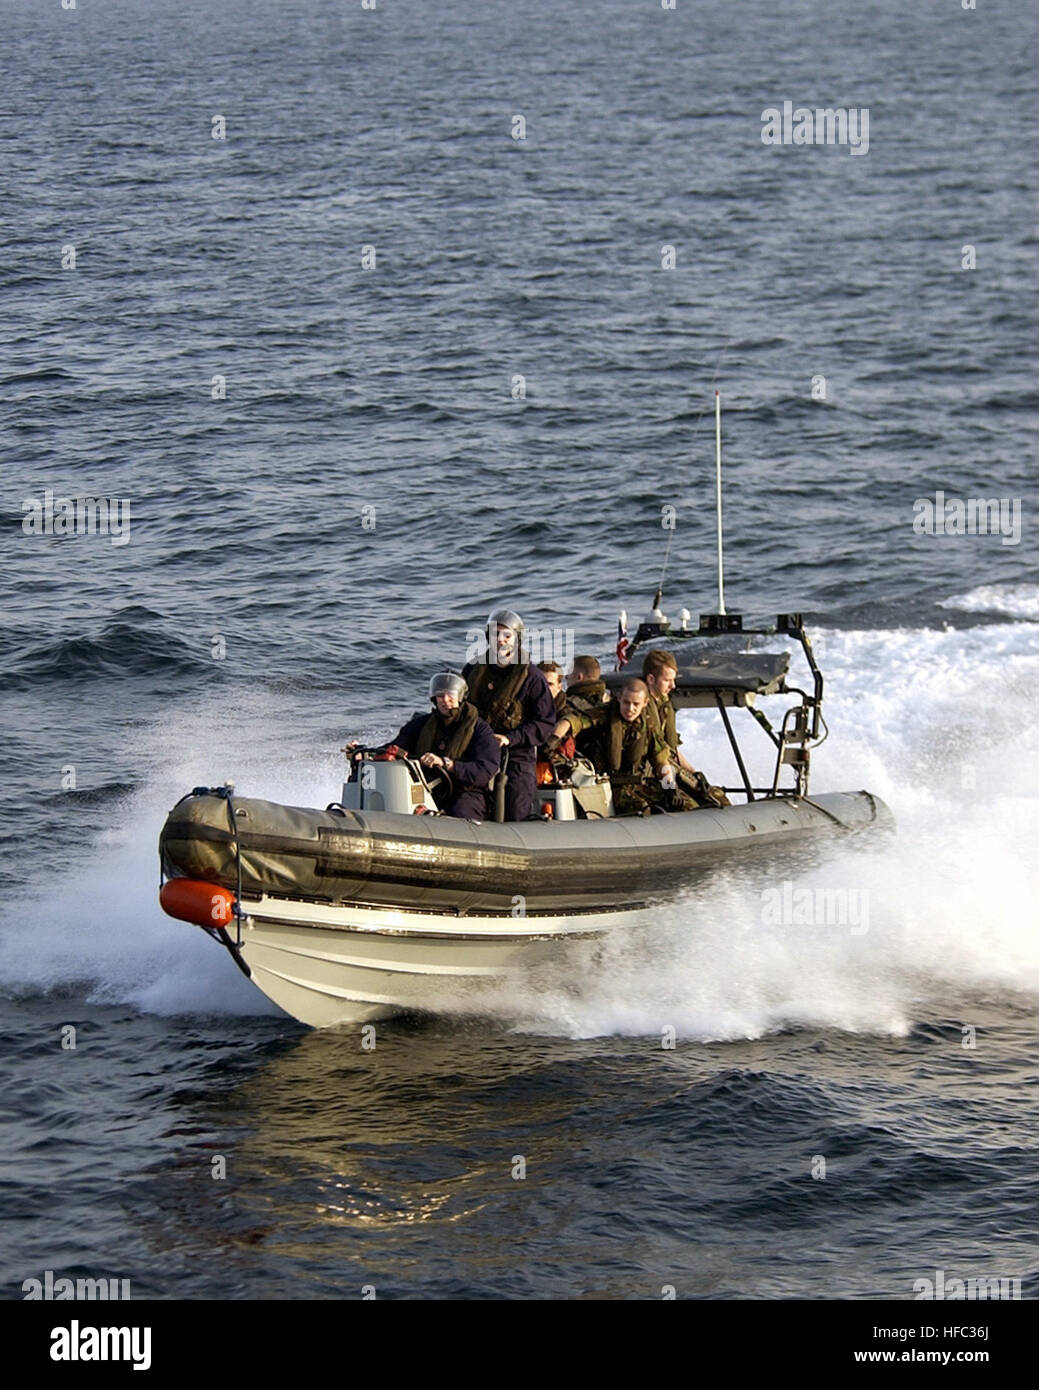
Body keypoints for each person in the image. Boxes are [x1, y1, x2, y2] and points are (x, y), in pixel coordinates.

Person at [462, 608, 557, 821]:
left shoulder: (531, 677)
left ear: (517, 639)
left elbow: (544, 721)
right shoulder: (473, 669)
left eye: (507, 635)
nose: (500, 640)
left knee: (515, 808)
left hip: (515, 756)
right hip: (476, 750)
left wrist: (510, 738)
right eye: (496, 634)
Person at [575, 678, 698, 815]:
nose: (630, 709)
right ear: (619, 698)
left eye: (636, 704)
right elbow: (574, 721)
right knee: (642, 809)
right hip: (610, 785)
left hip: (638, 782)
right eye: (626, 703)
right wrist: (555, 737)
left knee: (688, 805)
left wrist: (669, 787)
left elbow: (661, 761)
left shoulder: (647, 726)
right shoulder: (603, 719)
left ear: (645, 703)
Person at [389, 672, 501, 819]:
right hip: (427, 787)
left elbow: (485, 770)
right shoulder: (421, 724)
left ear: (461, 697)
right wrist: (362, 752)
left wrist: (448, 764)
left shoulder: (480, 730)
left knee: (459, 812)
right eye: (440, 695)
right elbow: (396, 747)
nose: (445, 700)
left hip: (465, 792)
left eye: (451, 695)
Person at [642, 648, 730, 808]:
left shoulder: (663, 704)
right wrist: (670, 787)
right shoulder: (641, 709)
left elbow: (672, 749)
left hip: (668, 769)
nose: (673, 685)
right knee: (690, 807)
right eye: (667, 680)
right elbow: (658, 755)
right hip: (651, 773)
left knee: (716, 797)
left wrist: (694, 773)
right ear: (651, 679)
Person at [543, 654, 609, 758]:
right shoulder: (607, 702)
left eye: (569, 673)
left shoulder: (570, 703)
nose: (566, 677)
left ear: (579, 677)